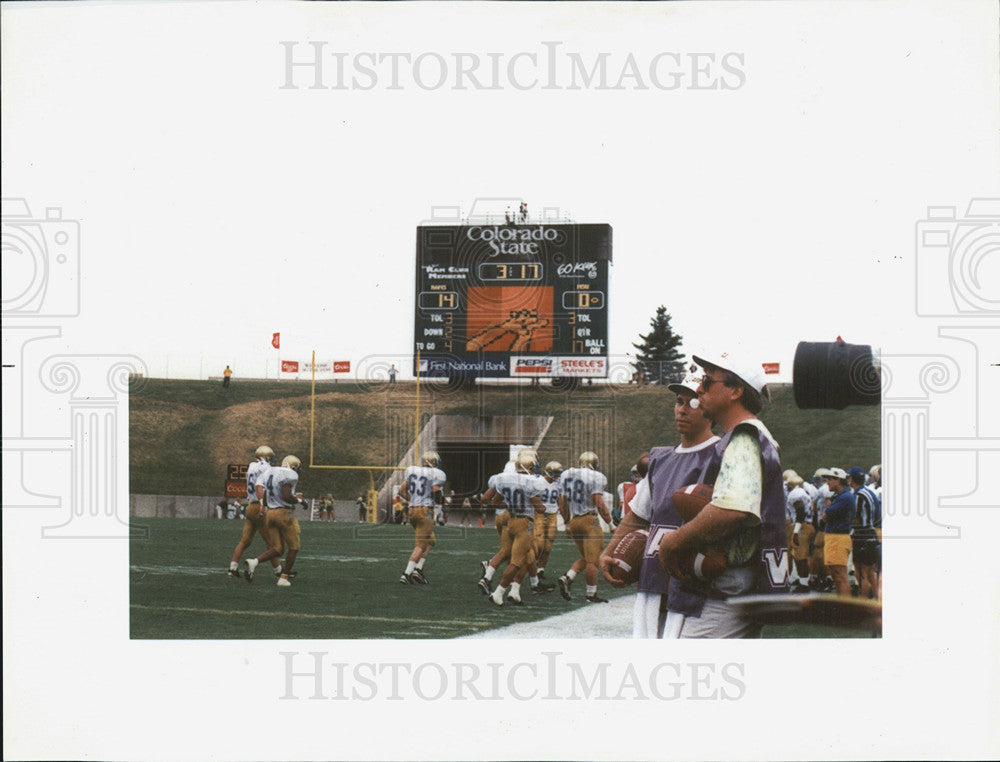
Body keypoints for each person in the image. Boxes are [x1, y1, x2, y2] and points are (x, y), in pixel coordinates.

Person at [657, 350, 789, 638]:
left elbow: (731, 510)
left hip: (726, 590)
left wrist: (673, 542)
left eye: (707, 380)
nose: (700, 388)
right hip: (739, 587)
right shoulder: (749, 435)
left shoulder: (743, 436)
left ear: (736, 391)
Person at [600, 374, 720, 638]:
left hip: (697, 577)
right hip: (654, 576)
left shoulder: (722, 454)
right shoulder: (660, 458)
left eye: (693, 403)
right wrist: (609, 550)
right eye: (679, 402)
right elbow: (637, 517)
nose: (682, 409)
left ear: (710, 408)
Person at [489, 450, 548, 606]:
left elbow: (494, 502)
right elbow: (540, 508)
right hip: (525, 524)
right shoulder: (531, 482)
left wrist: (510, 505)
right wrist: (542, 507)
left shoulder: (506, 480)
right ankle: (498, 592)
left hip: (511, 521)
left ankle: (515, 592)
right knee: (516, 562)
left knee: (525, 557)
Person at [557, 451, 613, 603]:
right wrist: (611, 523)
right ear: (593, 464)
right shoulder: (595, 477)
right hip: (590, 520)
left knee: (587, 557)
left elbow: (562, 502)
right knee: (592, 561)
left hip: (575, 521)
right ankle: (590, 594)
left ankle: (568, 577)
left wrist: (567, 523)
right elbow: (599, 503)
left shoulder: (567, 474)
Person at [243, 454, 307, 587]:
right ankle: (283, 578)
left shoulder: (270, 471)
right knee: (294, 547)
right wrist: (300, 501)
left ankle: (254, 561)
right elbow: (286, 495)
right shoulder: (290, 475)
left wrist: (265, 507)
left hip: (270, 513)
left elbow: (265, 495)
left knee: (277, 549)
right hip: (283, 513)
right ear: (293, 466)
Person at [228, 447, 282, 575]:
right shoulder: (266, 468)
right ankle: (279, 570)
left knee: (245, 541)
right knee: (271, 544)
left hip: (250, 506)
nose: (272, 460)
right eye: (270, 457)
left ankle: (232, 568)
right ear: (265, 457)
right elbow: (264, 487)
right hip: (260, 506)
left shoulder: (251, 466)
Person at [397, 451, 446, 584]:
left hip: (412, 510)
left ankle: (418, 569)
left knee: (431, 541)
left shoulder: (413, 471)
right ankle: (407, 573)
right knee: (421, 545)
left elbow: (401, 491)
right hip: (425, 511)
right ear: (434, 462)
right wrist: (441, 504)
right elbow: (436, 492)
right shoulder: (436, 474)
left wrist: (413, 500)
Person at [821, 467, 856, 597]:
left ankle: (846, 609)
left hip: (838, 538)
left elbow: (825, 515)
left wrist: (827, 512)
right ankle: (843, 608)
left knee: (840, 575)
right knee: (837, 575)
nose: (827, 482)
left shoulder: (844, 497)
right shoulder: (842, 496)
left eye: (830, 479)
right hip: (836, 537)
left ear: (838, 480)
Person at [849, 466, 881, 600]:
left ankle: (862, 605)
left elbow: (855, 517)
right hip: (871, 532)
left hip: (861, 535)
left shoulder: (858, 495)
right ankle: (879, 601)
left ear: (852, 480)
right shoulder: (870, 492)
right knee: (871, 573)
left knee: (862, 574)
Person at [784, 470, 814, 592]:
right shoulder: (803, 492)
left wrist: (796, 531)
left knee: (800, 557)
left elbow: (800, 511)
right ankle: (802, 581)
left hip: (800, 527)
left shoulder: (795, 494)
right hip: (805, 525)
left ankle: (804, 584)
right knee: (798, 556)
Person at [533, 461, 563, 579]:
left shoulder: (559, 483)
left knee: (548, 546)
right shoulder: (539, 481)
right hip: (539, 514)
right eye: (555, 473)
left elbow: (560, 498)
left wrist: (561, 508)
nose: (557, 476)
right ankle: (532, 565)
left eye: (558, 473)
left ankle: (540, 569)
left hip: (552, 515)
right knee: (539, 544)